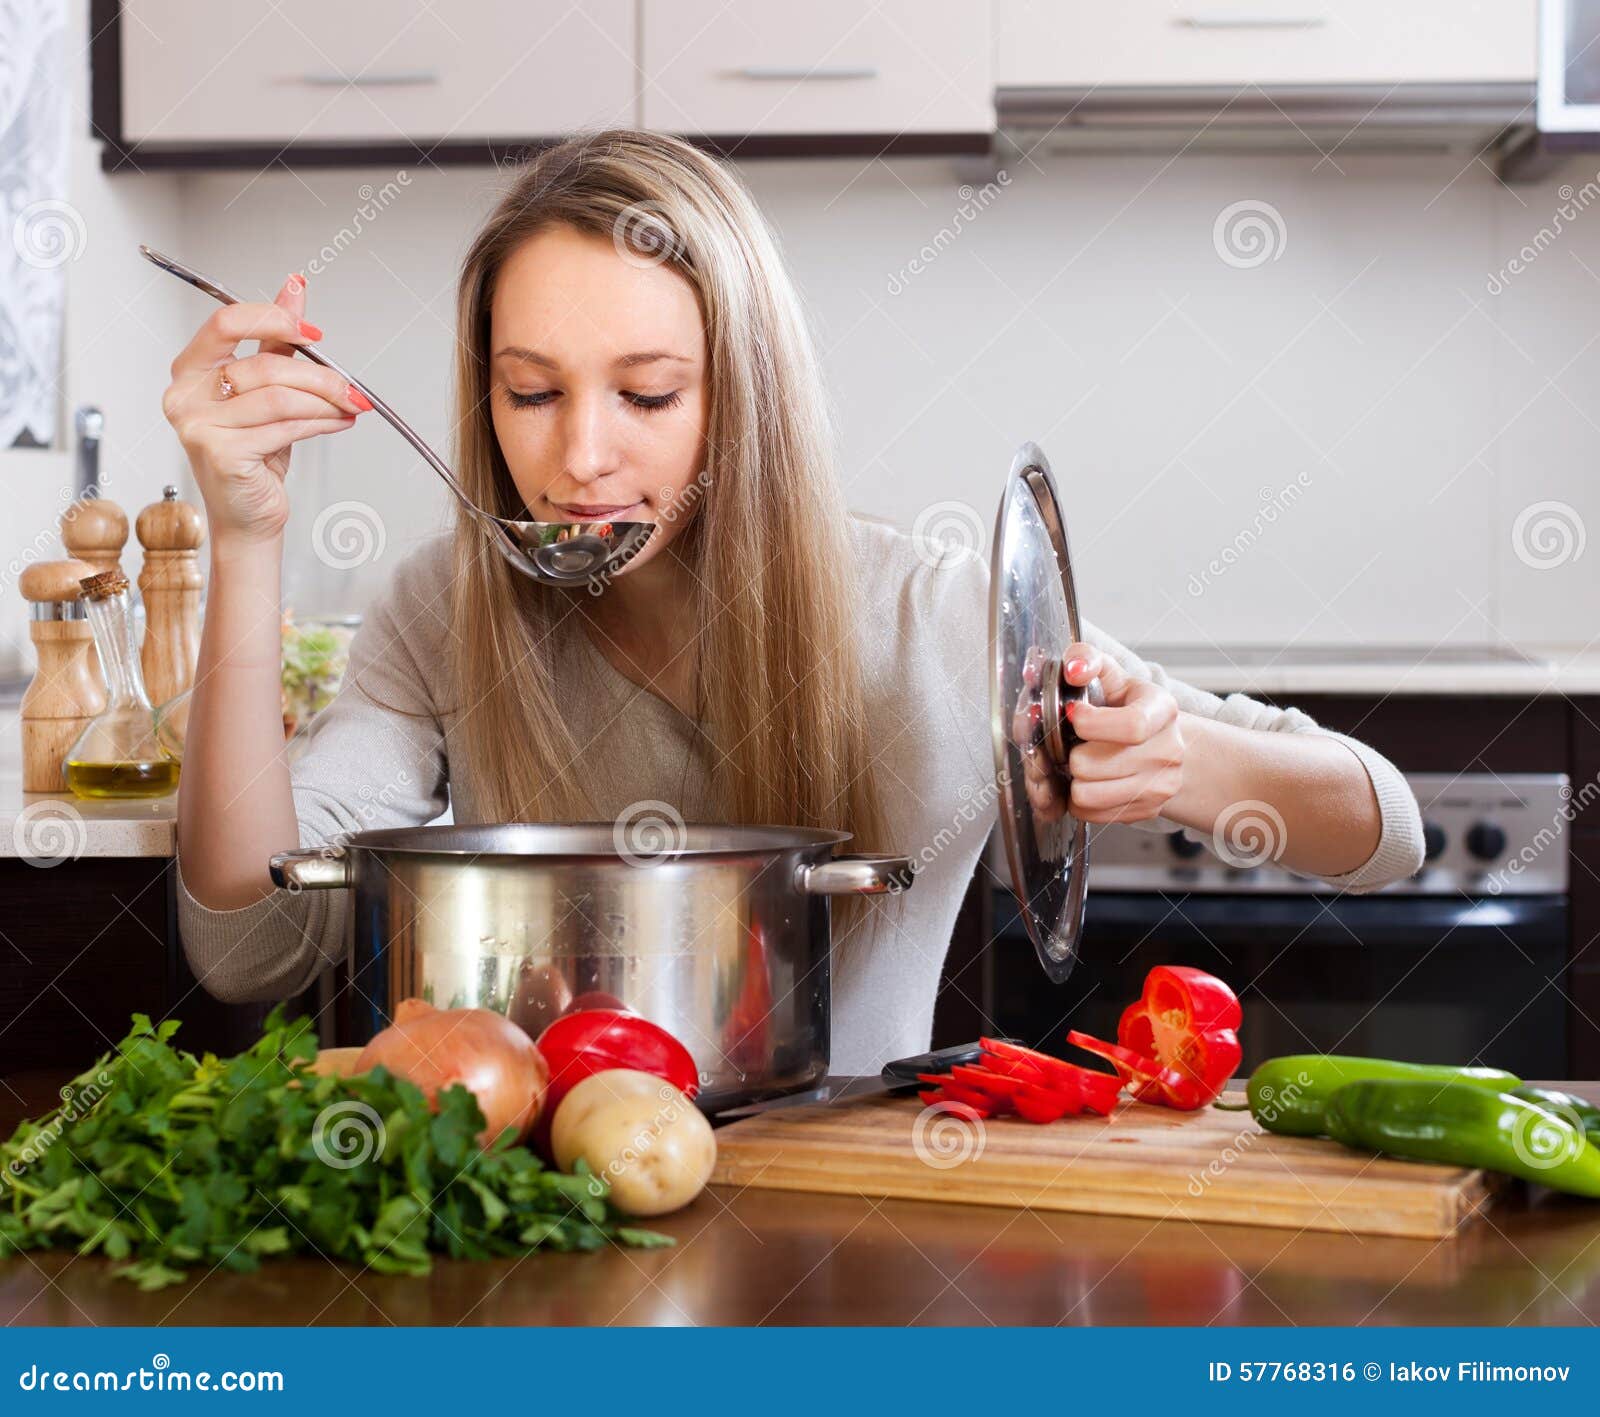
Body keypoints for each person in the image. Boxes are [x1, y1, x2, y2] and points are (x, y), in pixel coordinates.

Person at [164, 130, 1423, 1075]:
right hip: (532, 1234)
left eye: (648, 395)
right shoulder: (446, 605)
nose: (580, 456)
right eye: (531, 392)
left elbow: (1385, 828)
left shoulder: (936, 614)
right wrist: (247, 536)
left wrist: (1169, 755)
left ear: (743, 395)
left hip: (857, 1225)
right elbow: (250, 945)